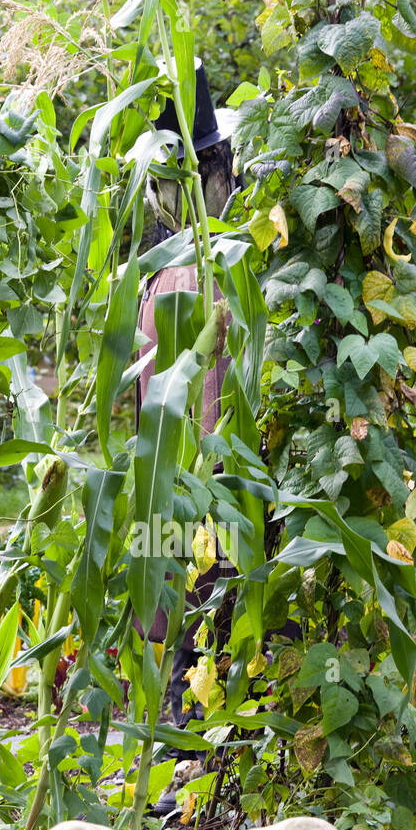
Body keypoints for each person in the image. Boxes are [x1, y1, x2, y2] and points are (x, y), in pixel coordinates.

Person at [135, 62, 237, 726]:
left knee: (180, 621)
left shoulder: (155, 270)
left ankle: (175, 722)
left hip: (165, 475)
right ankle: (185, 734)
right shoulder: (204, 270)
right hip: (204, 480)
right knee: (203, 615)